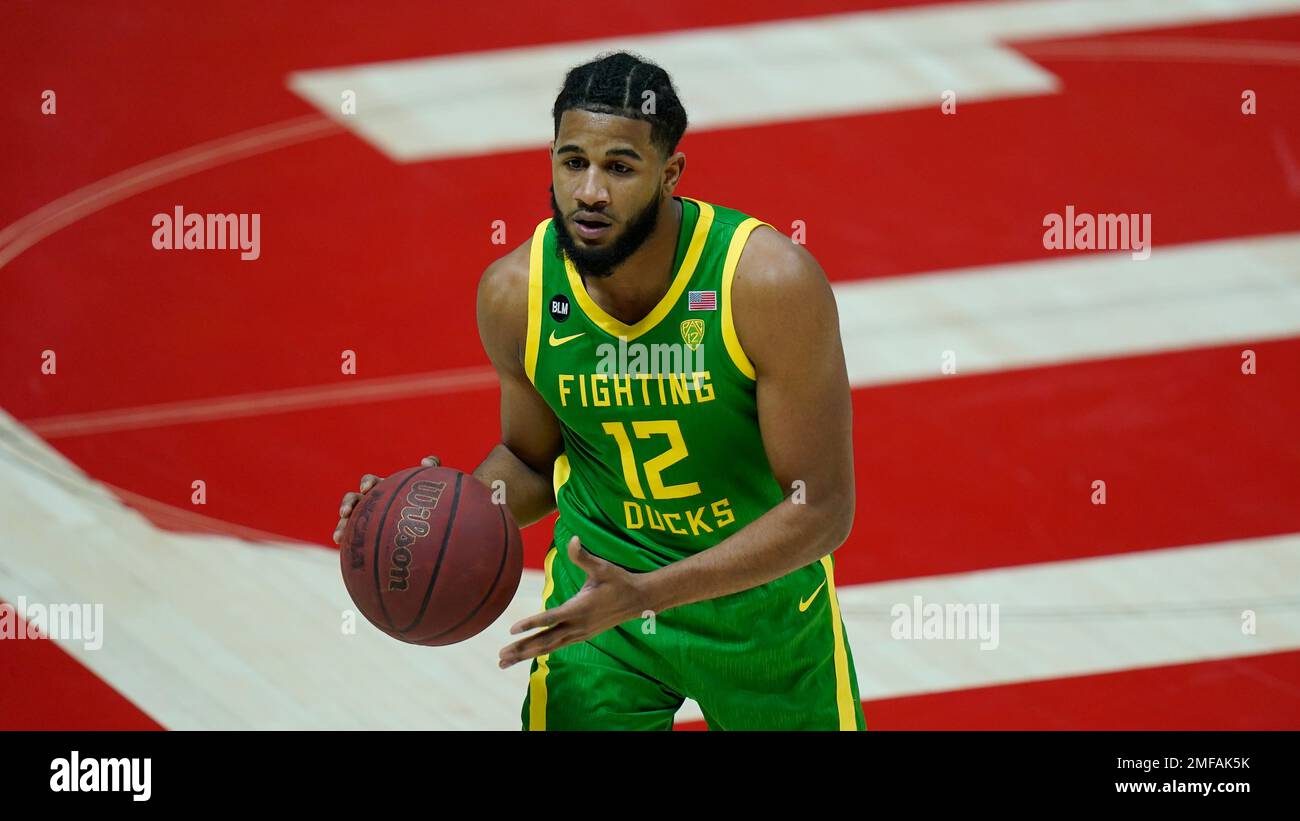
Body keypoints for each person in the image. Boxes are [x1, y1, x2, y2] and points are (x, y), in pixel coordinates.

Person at [334, 51, 864, 730]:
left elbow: (820, 508)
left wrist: (646, 593)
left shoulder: (764, 284)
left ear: (669, 175)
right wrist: (437, 513)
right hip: (597, 612)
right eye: (572, 161)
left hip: (761, 610)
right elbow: (530, 462)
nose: (589, 191)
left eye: (619, 167)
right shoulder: (516, 293)